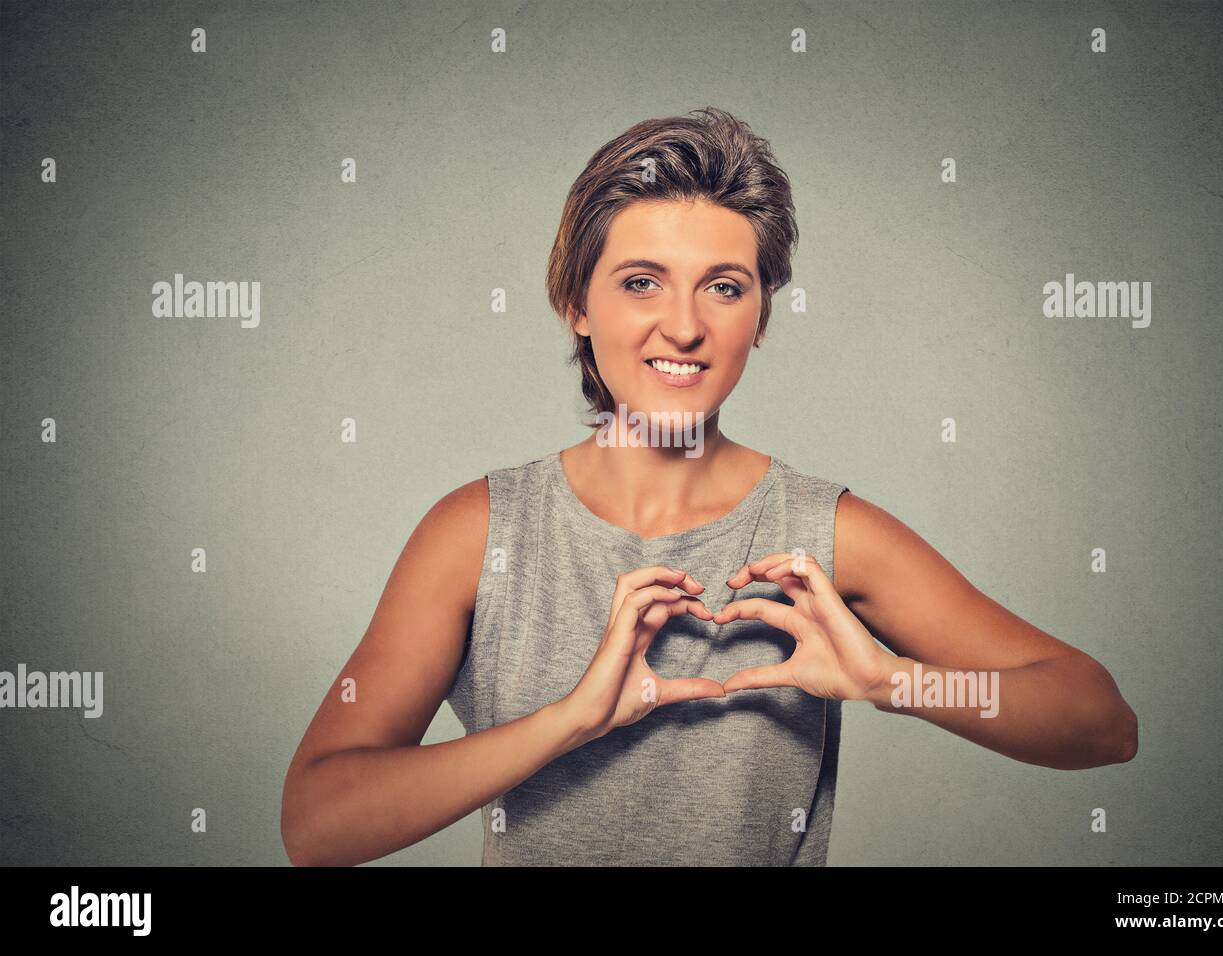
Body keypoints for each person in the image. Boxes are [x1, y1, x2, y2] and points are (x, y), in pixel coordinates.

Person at [280, 107, 1139, 867]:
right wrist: (571, 718)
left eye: (724, 288)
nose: (685, 326)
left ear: (760, 314)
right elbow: (318, 823)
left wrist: (894, 681)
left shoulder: (827, 535)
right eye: (641, 282)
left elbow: (1099, 718)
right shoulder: (480, 533)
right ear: (576, 302)